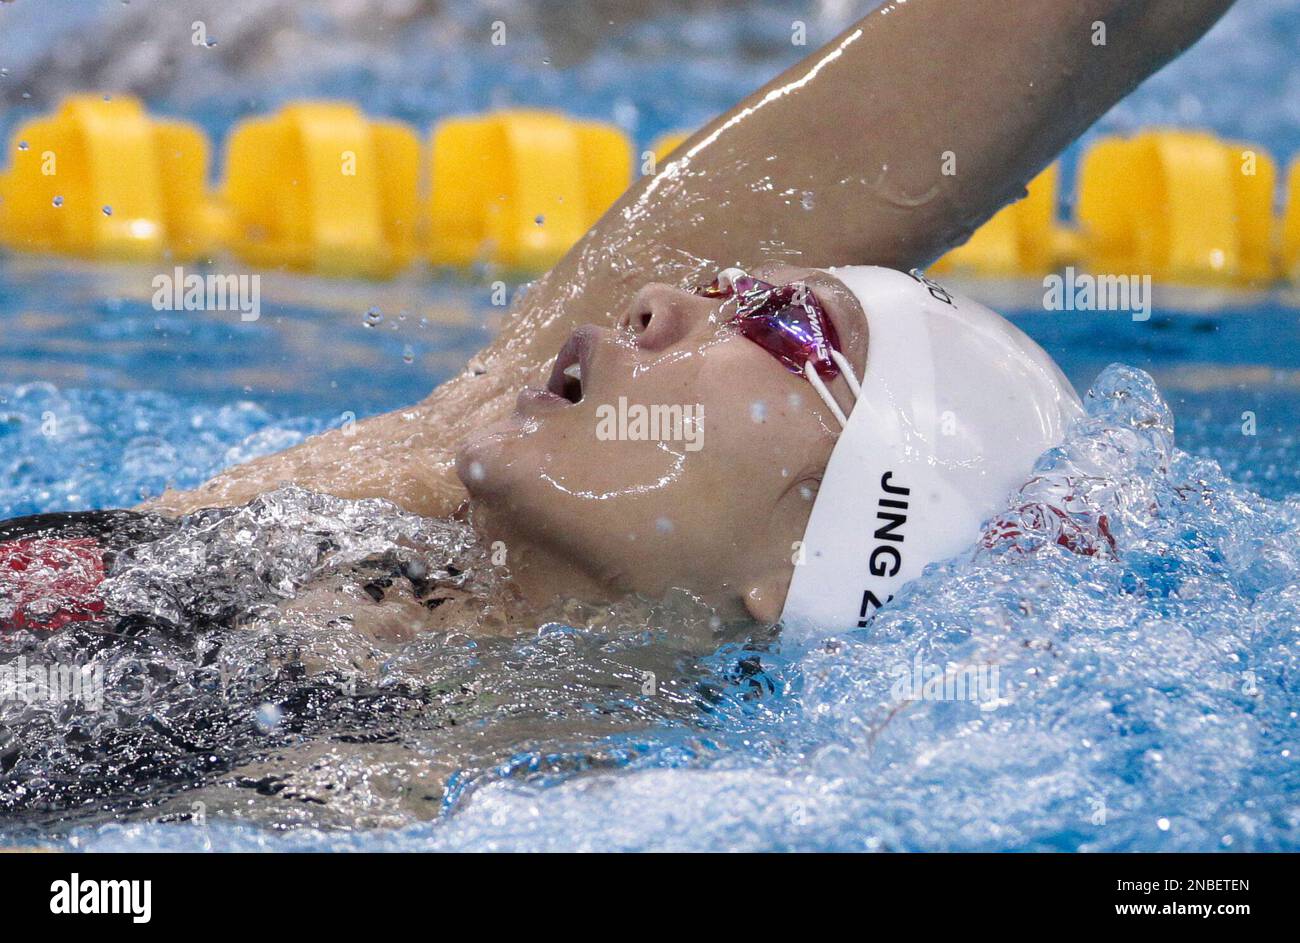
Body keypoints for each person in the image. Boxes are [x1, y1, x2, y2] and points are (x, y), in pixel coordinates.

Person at [4, 0, 1236, 635]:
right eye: (715, 292)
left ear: (809, 558)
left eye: (783, 328)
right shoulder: (398, 484)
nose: (658, 303)